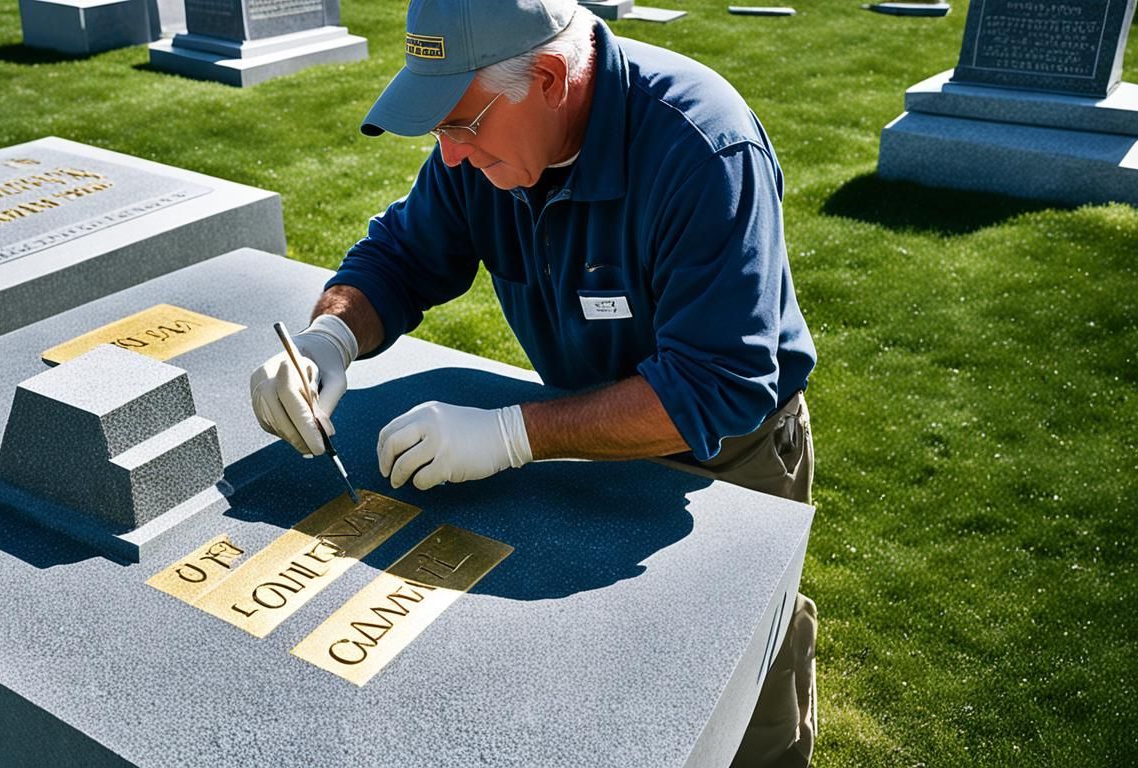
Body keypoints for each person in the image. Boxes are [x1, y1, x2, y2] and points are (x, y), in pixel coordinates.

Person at [249, 0, 817, 764]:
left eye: (461, 124)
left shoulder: (703, 147)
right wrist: (328, 339)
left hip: (727, 459)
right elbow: (400, 259)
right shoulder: (490, 145)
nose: (448, 156)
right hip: (578, 429)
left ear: (549, 77)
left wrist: (513, 433)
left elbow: (715, 384)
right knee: (615, 686)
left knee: (736, 674)